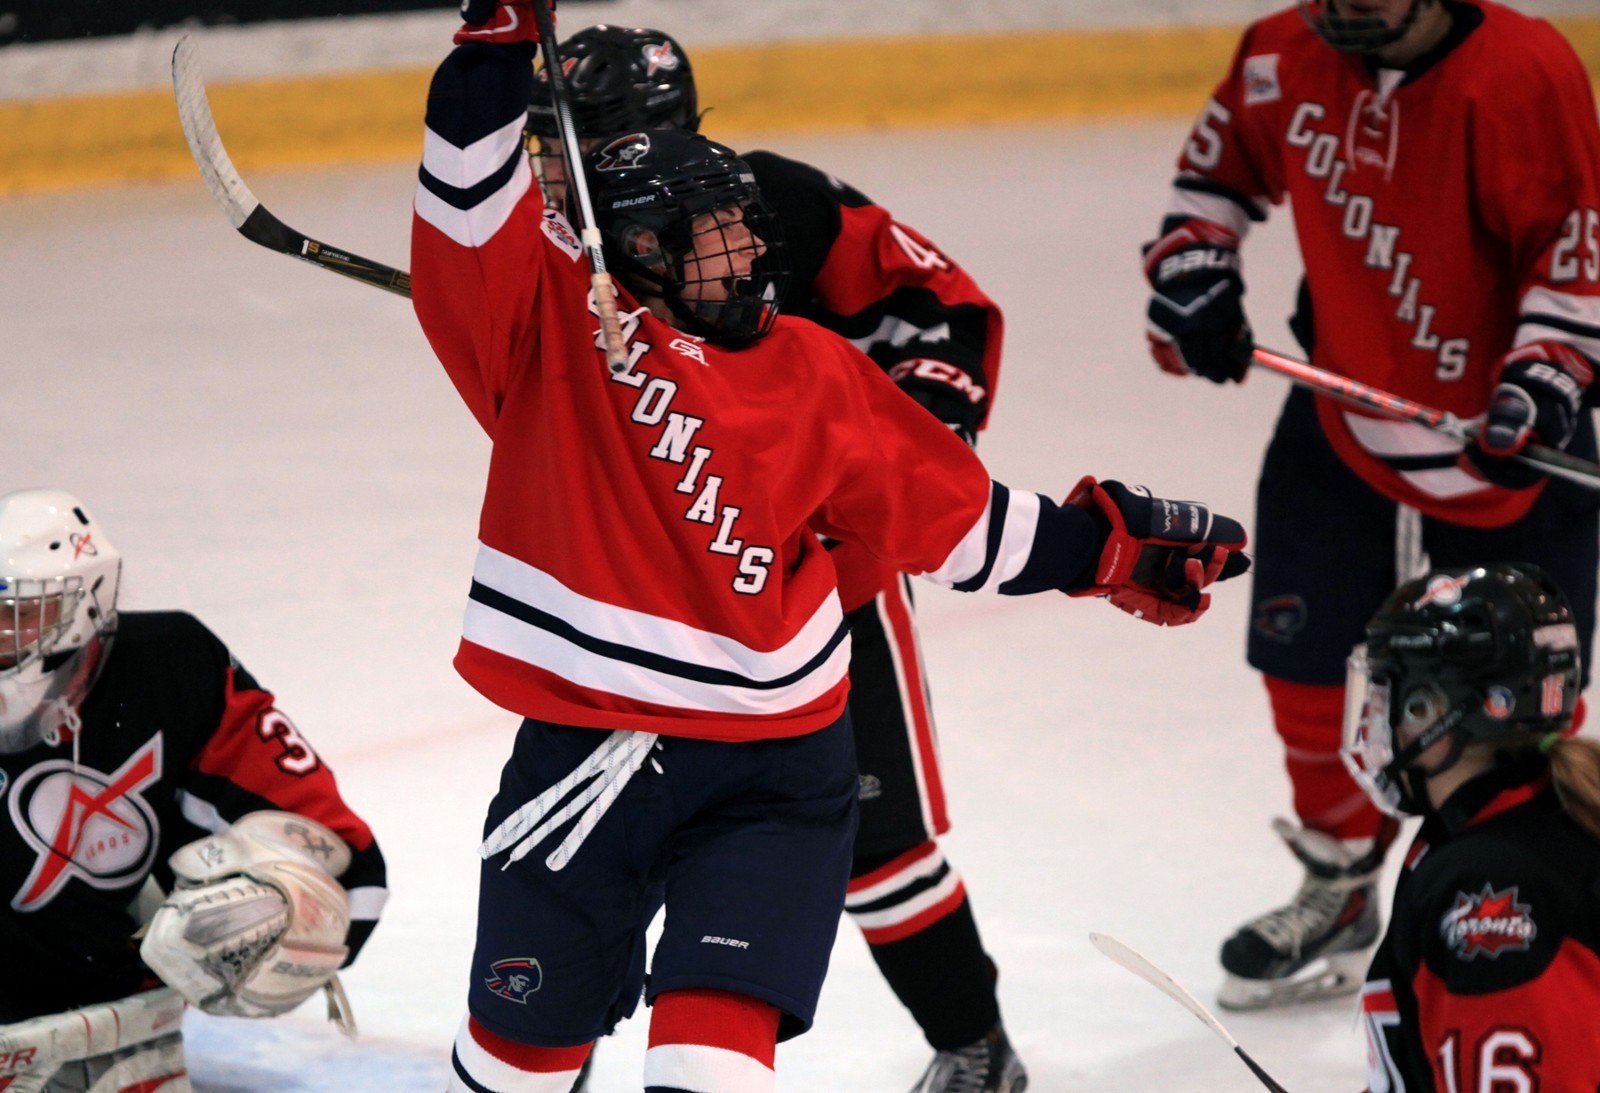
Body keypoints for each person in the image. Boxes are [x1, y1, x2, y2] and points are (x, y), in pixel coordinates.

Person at [413, 8, 1251, 1092]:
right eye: (718, 236)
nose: (750, 251)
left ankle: (972, 1040)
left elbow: (952, 477)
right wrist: (486, 53)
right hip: (603, 738)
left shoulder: (804, 332)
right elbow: (467, 209)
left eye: (742, 228)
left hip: (795, 672)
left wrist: (1094, 539)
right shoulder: (549, 318)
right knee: (523, 1046)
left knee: (878, 838)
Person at [522, 24, 1022, 1091]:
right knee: (594, 845)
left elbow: (940, 301)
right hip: (642, 611)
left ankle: (973, 1043)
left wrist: (921, 423)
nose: (559, 171)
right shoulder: (554, 249)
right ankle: (542, 1048)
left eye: (586, 140)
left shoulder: (772, 202)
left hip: (815, 590)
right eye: (550, 145)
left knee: (875, 837)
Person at [1141, 0, 1600, 1010]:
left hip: (1504, 441)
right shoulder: (1279, 53)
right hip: (1343, 418)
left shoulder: (1522, 71)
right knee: (1300, 660)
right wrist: (1195, 268)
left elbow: (1577, 245)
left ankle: (1521, 896)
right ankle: (1343, 885)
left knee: (1512, 699)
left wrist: (1547, 376)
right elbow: (1213, 176)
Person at [0, 488, 388, 1090]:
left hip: (105, 1028)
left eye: (17, 612)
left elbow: (341, 858)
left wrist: (286, 921)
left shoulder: (172, 670)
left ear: (88, 603)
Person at [1342, 562, 1600, 1086]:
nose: (1376, 722)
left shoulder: (1492, 889)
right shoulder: (1516, 821)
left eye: (1390, 697)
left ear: (1439, 710)